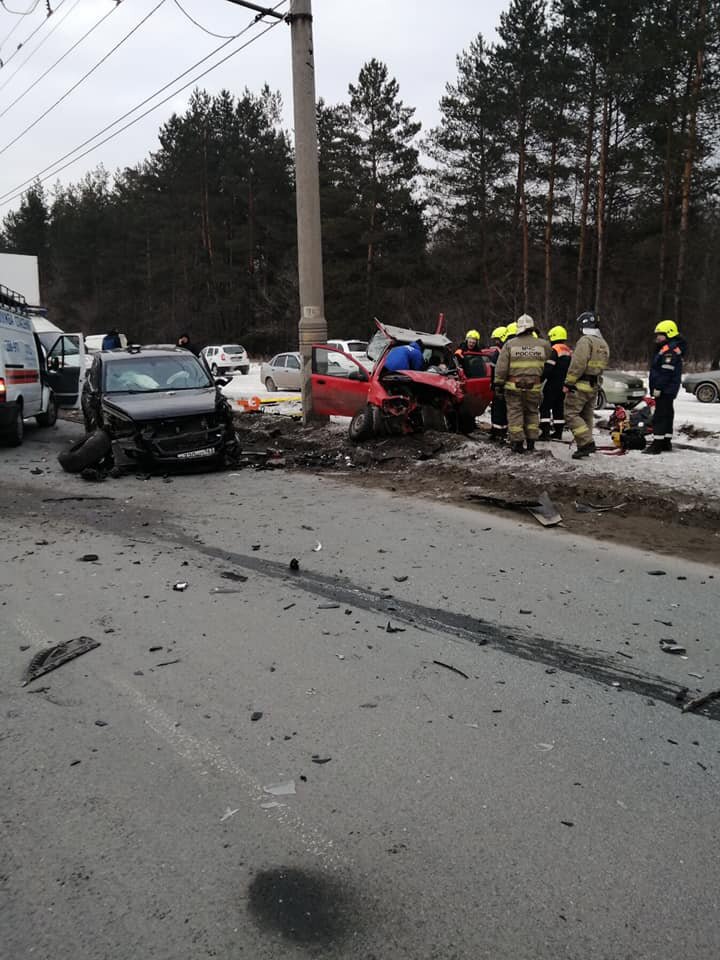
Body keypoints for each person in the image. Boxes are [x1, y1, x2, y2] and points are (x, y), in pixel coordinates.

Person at [494, 314, 552, 454]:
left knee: (515, 414)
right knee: (532, 413)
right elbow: (548, 364)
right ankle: (531, 442)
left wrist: (498, 384)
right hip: (535, 387)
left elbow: (501, 368)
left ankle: (518, 443)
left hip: (514, 387)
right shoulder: (544, 344)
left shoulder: (510, 344)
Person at [563, 311, 610, 459]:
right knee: (586, 416)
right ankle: (586, 443)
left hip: (580, 385)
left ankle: (586, 443)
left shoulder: (585, 341)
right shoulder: (603, 343)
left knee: (570, 414)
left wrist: (568, 382)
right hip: (594, 385)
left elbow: (578, 364)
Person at [644, 319, 686, 454]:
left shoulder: (669, 351)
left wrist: (658, 388)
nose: (657, 337)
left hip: (664, 388)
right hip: (669, 388)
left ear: (668, 334)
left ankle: (657, 444)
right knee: (667, 413)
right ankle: (665, 442)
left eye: (660, 335)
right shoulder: (671, 348)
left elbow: (665, 372)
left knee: (660, 415)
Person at [539, 325, 573, 441]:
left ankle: (545, 432)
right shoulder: (568, 351)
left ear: (553, 336)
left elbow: (549, 367)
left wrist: (540, 379)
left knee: (545, 407)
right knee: (559, 407)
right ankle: (558, 432)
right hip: (564, 384)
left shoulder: (555, 350)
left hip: (553, 383)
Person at [486, 326, 508, 442]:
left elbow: (496, 372)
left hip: (500, 385)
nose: (496, 342)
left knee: (499, 410)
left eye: (497, 340)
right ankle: (500, 432)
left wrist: (495, 385)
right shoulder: (504, 351)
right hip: (503, 385)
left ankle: (498, 433)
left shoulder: (500, 353)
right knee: (501, 409)